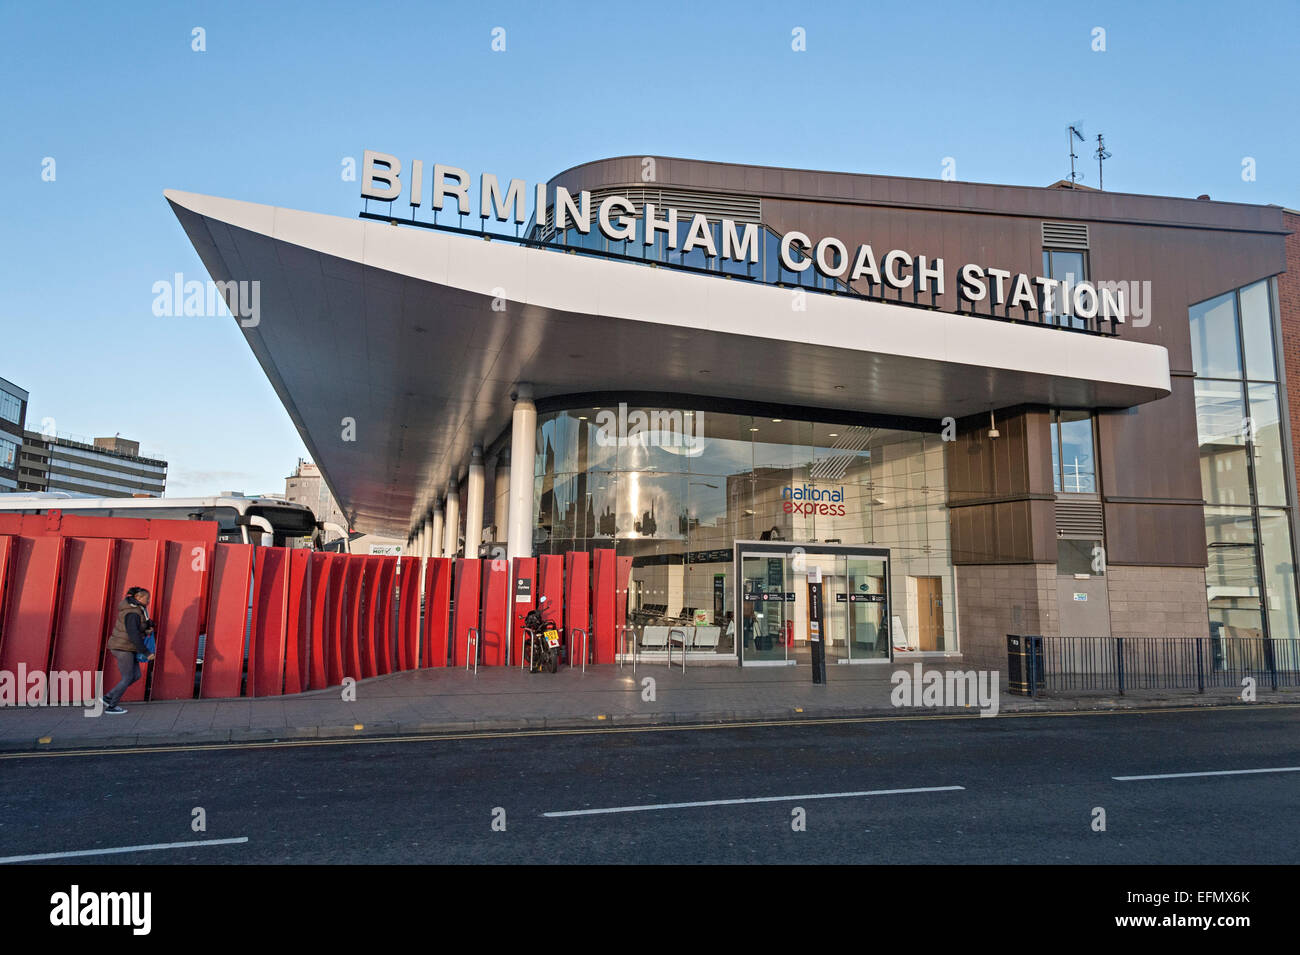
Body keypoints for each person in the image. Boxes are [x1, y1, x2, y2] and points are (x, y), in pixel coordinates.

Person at [102, 586, 155, 714]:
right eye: (146, 599)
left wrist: (147, 627)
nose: (148, 602)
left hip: (127, 647)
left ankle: (109, 697)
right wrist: (146, 653)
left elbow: (137, 628)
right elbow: (133, 634)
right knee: (127, 677)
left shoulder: (137, 609)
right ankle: (111, 706)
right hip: (123, 647)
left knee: (136, 675)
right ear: (138, 597)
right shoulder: (132, 612)